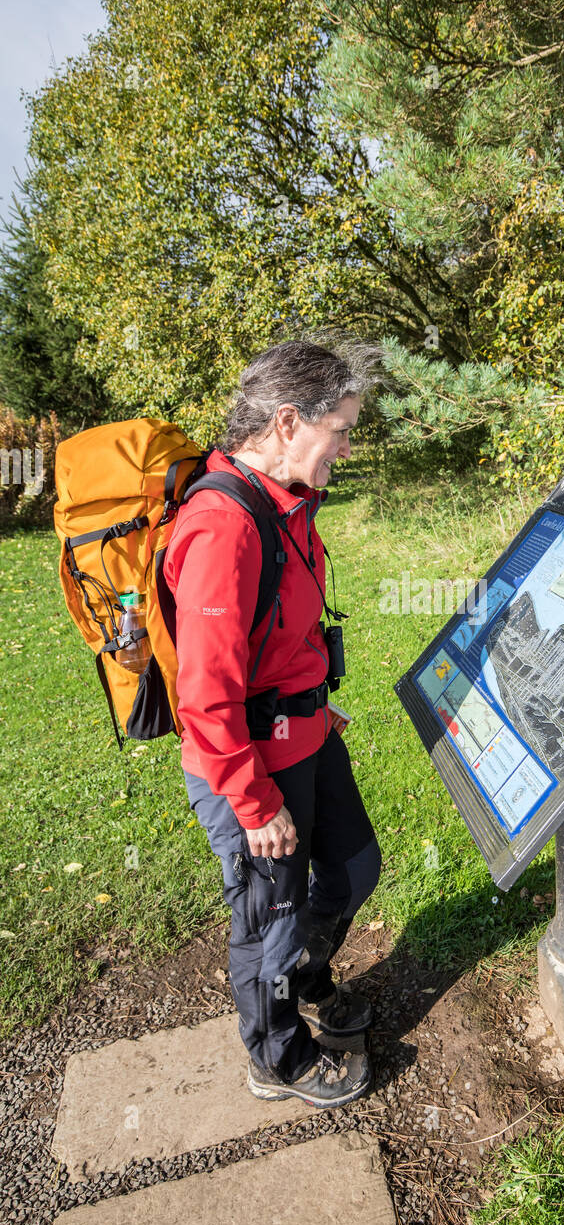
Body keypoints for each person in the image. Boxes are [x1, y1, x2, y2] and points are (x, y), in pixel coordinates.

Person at [163, 338, 382, 1107]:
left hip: (307, 736)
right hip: (248, 770)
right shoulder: (224, 525)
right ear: (288, 421)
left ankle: (307, 980)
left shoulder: (287, 505)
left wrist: (316, 699)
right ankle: (277, 1057)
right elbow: (206, 691)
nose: (349, 447)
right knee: (269, 926)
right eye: (342, 428)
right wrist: (255, 805)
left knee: (355, 870)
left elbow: (284, 633)